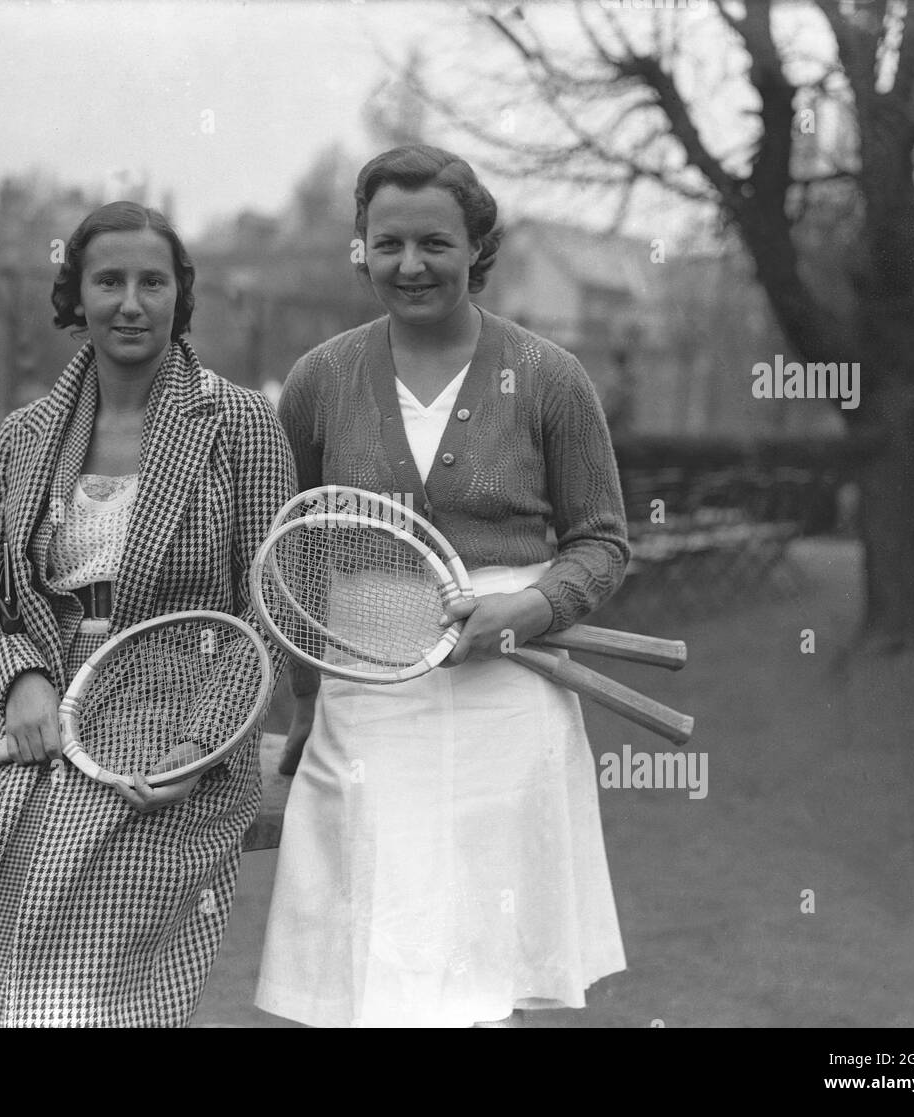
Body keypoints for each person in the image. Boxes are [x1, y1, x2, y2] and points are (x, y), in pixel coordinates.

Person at [255, 145, 630, 1028]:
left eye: (435, 243)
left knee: (486, 960)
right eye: (387, 244)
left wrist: (529, 607)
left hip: (512, 690)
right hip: (368, 694)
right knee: (380, 947)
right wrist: (304, 701)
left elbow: (603, 541)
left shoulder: (548, 376)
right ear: (362, 248)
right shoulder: (319, 380)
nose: (411, 265)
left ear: (476, 247)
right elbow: (289, 556)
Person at [0, 201, 295, 1027]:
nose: (130, 302)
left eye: (152, 281)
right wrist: (19, 679)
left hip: (172, 743)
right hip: (30, 731)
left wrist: (202, 746)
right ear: (77, 295)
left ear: (180, 294)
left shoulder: (239, 422)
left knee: (86, 1002)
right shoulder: (26, 433)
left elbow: (271, 604)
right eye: (109, 281)